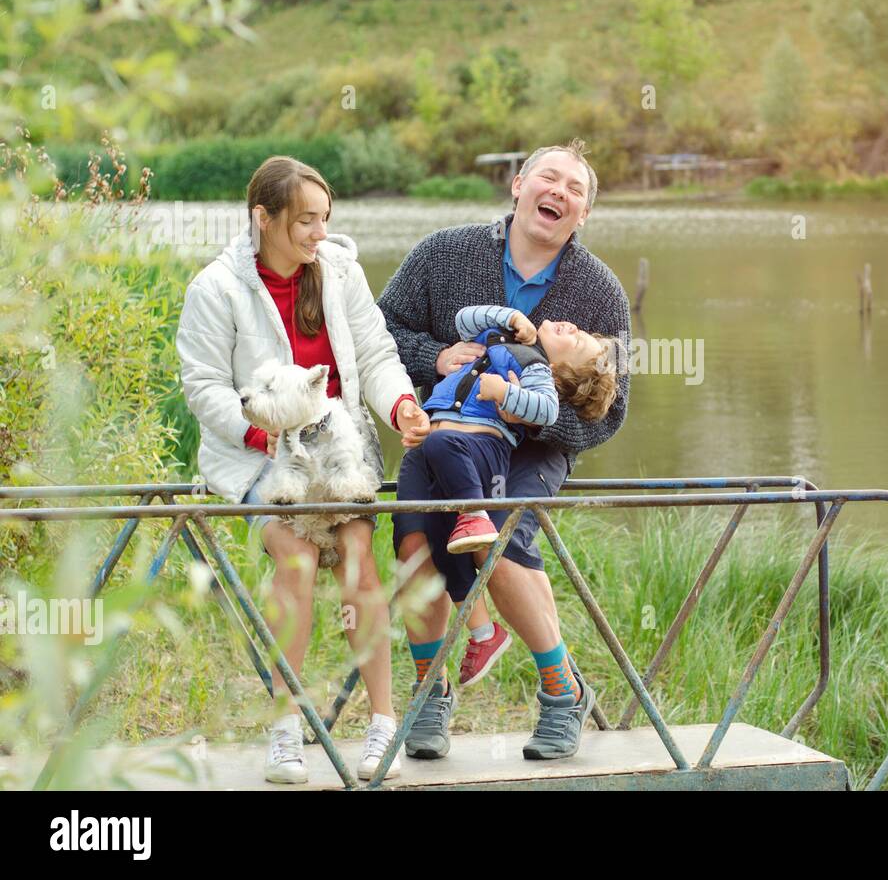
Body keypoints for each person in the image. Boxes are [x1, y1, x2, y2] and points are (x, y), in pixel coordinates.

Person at [176, 156, 431, 784]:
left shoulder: (339, 270)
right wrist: (259, 433)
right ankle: (286, 730)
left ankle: (382, 724)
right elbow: (204, 385)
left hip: (340, 447)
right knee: (293, 559)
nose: (319, 234)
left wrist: (400, 405)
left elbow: (374, 353)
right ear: (263, 218)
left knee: (356, 556)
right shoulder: (217, 287)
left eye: (325, 219)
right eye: (305, 222)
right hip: (259, 452)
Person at [379, 138, 630, 761]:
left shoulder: (601, 292)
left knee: (499, 530)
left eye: (575, 190)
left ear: (584, 215)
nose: (559, 194)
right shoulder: (443, 253)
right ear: (519, 185)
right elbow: (380, 331)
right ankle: (429, 692)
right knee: (417, 538)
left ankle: (559, 691)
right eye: (549, 179)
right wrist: (432, 359)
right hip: (452, 423)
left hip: (537, 442)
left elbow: (612, 410)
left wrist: (530, 418)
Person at [396, 303, 618, 689]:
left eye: (577, 340)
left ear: (561, 370)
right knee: (426, 539)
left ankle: (561, 686)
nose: (573, 324)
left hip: (476, 447)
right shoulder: (506, 335)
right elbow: (462, 320)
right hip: (434, 441)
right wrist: (508, 317)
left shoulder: (535, 369)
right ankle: (479, 638)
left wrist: (507, 395)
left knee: (498, 542)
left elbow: (547, 411)